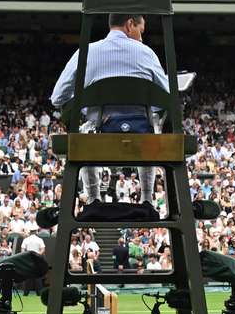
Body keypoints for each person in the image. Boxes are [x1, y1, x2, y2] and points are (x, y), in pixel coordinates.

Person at [50, 13, 169, 204]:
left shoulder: (86, 52)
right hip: (141, 141)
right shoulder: (146, 53)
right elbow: (167, 98)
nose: (142, 37)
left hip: (96, 140)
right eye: (141, 30)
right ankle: (147, 198)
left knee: (86, 130)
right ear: (130, 24)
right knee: (151, 128)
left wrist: (84, 101)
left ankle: (94, 198)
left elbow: (57, 98)